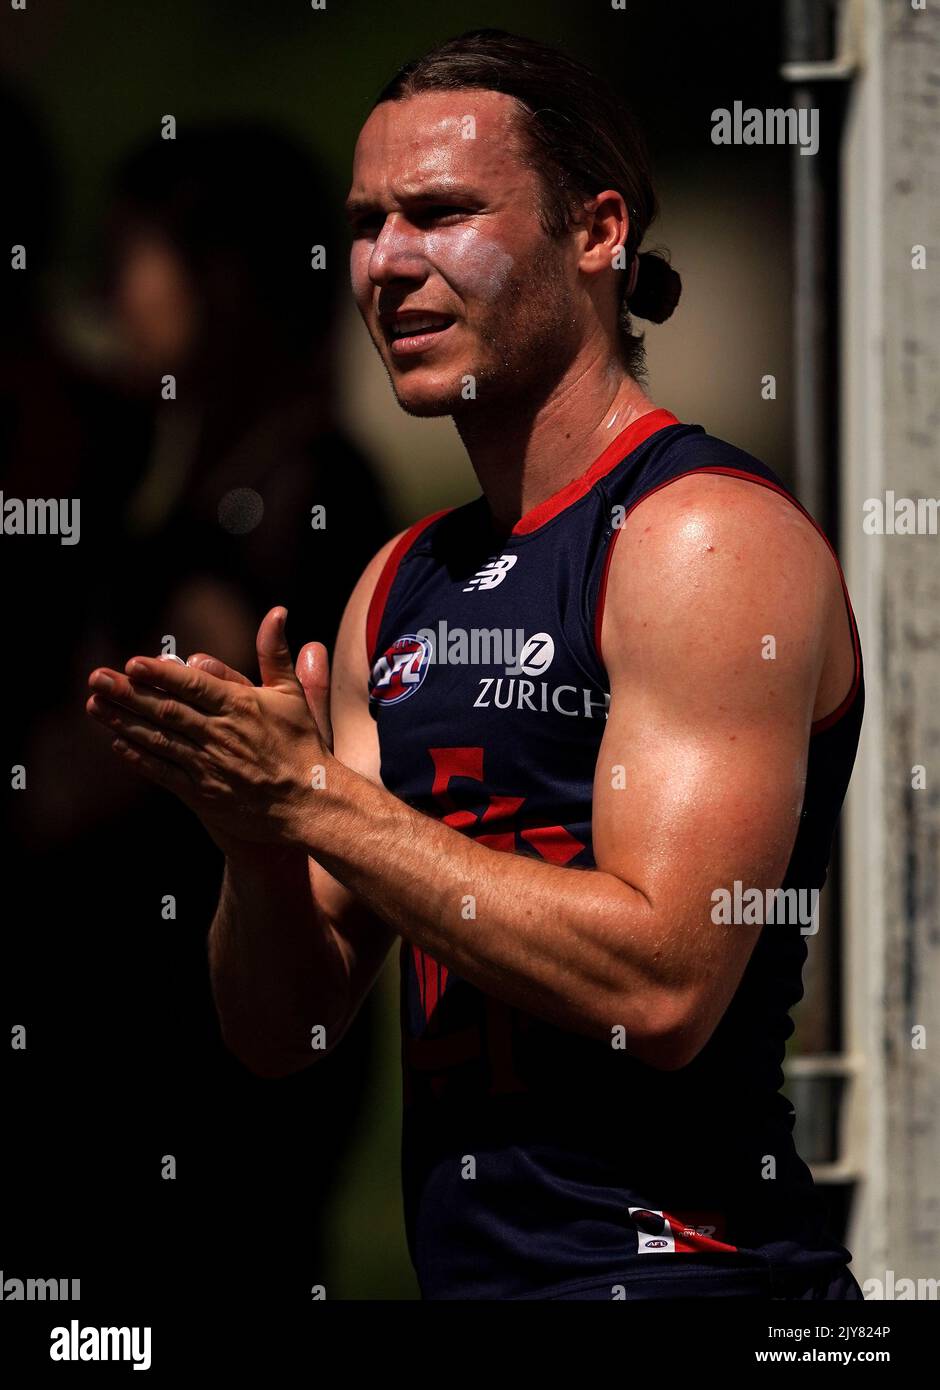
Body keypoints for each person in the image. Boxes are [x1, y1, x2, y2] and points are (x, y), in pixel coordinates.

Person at [86, 29, 865, 1301]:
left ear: (598, 231)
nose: (387, 263)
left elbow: (662, 984)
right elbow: (284, 1032)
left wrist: (317, 801)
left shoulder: (704, 535)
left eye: (440, 213)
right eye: (366, 223)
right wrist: (252, 840)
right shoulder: (398, 579)